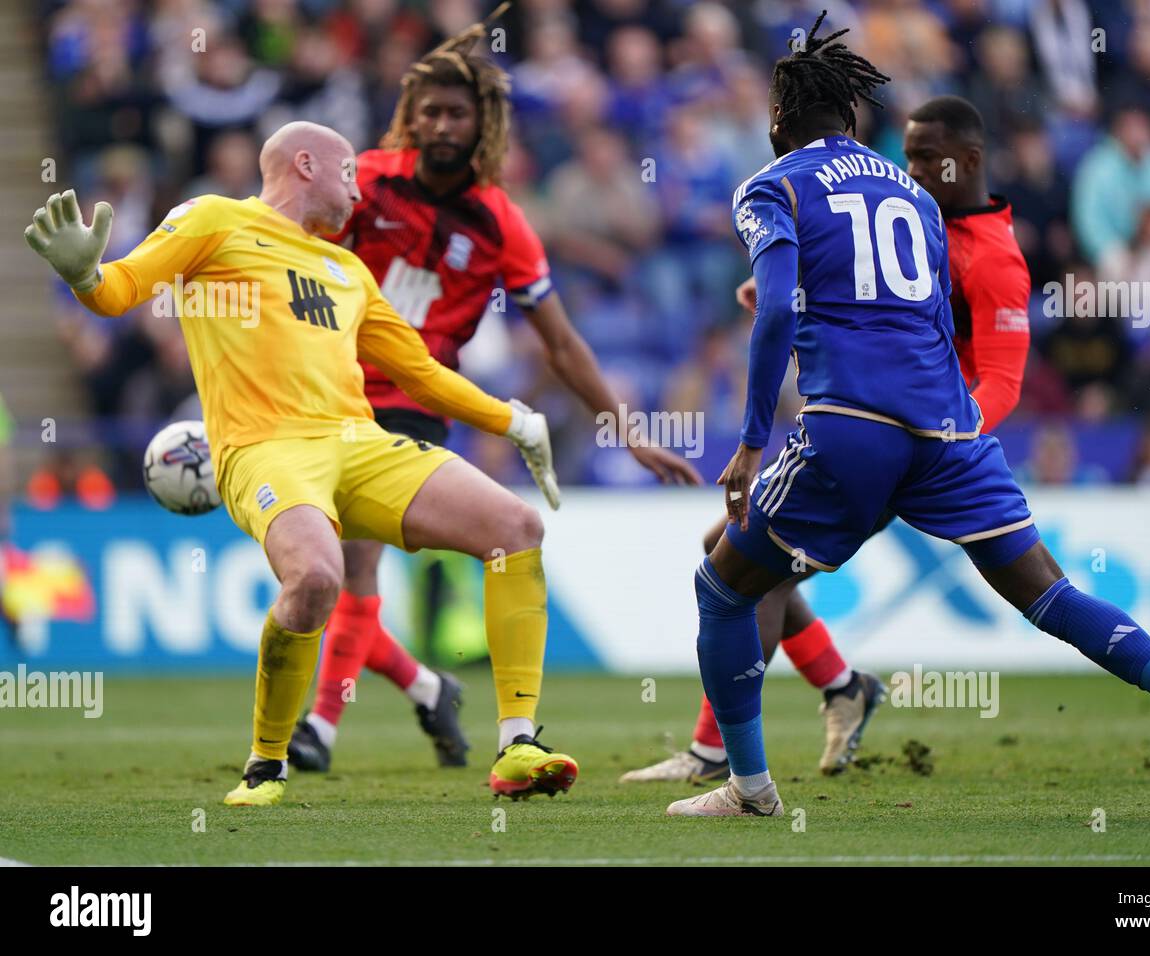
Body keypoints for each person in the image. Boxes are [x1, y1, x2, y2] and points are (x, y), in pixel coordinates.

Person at [664, 14, 1150, 818]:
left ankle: (747, 786)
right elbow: (919, 312)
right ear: (852, 118)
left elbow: (777, 310)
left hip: (852, 424)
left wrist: (748, 442)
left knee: (724, 586)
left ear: (778, 120)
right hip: (950, 430)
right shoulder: (912, 195)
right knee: (1049, 594)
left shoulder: (769, 184)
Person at [25, 121, 579, 806]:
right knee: (317, 577)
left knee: (516, 525)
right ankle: (266, 764)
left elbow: (421, 374)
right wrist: (85, 274)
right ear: (307, 164)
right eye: (349, 174)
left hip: (358, 443)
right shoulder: (214, 219)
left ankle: (518, 745)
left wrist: (514, 420)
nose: (357, 191)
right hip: (264, 448)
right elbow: (120, 291)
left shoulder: (348, 271)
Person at [287, 11, 701, 777]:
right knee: (331, 575)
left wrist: (627, 430)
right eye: (430, 112)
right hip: (327, 392)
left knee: (347, 569)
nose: (441, 125)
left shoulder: (502, 223)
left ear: (485, 125)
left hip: (413, 406)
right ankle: (415, 688)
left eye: (457, 113)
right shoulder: (367, 181)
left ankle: (323, 726)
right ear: (411, 118)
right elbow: (286, 246)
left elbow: (563, 342)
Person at [622, 93, 1031, 782]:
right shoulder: (910, 212)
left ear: (970, 161)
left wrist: (941, 438)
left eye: (930, 158)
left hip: (918, 445)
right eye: (910, 156)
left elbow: (1003, 382)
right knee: (740, 557)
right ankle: (835, 691)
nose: (917, 169)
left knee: (752, 569)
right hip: (876, 425)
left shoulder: (993, 257)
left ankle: (729, 751)